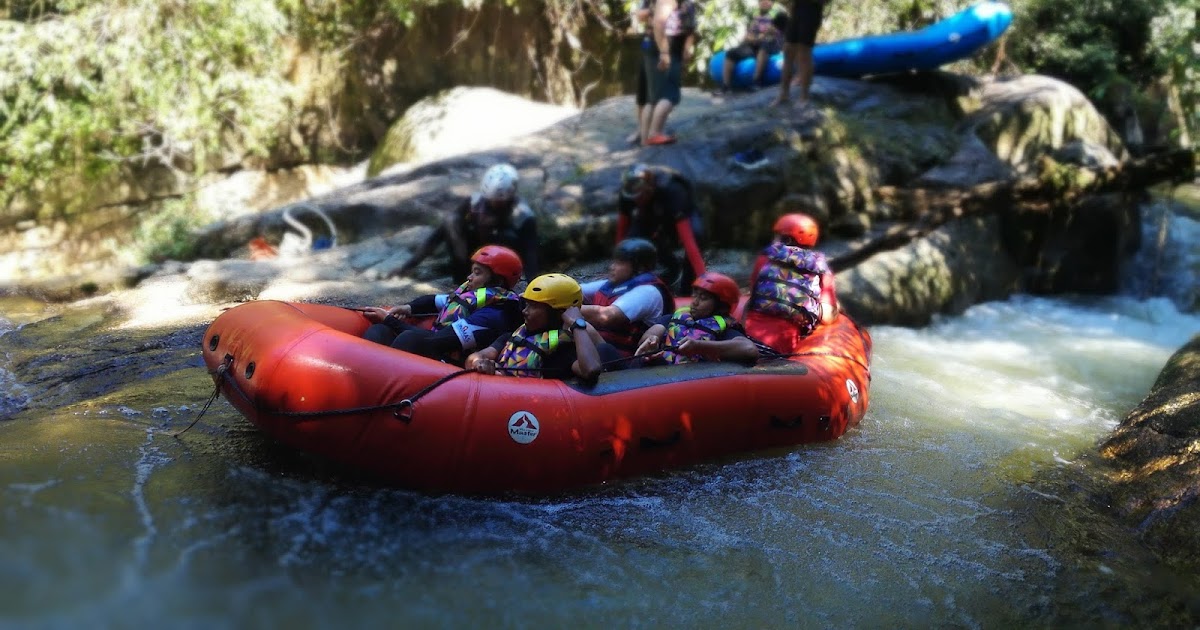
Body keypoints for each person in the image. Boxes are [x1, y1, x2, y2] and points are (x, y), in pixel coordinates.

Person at [362, 245, 524, 365]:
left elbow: (437, 340)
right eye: (472, 271)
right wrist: (408, 308)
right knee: (379, 330)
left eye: (477, 273)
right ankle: (363, 371)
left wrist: (389, 319)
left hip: (451, 368)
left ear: (497, 280)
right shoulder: (473, 297)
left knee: (410, 339)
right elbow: (433, 301)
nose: (469, 277)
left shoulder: (494, 315)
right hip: (436, 350)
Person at [394, 163, 540, 282]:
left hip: (502, 263)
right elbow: (438, 235)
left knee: (507, 236)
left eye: (499, 202)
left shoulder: (522, 215)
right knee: (451, 220)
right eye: (491, 200)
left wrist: (532, 287)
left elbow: (530, 255)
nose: (493, 204)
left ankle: (492, 281)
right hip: (472, 259)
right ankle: (462, 281)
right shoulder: (475, 202)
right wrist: (408, 266)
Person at [465, 273, 604, 382]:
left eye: (534, 306)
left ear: (559, 313)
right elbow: (475, 357)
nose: (525, 311)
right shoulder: (514, 336)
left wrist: (577, 323)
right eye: (527, 304)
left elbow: (590, 369)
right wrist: (480, 363)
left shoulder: (561, 350)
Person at [744, 213, 839, 351]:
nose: (774, 240)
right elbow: (827, 316)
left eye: (777, 235)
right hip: (781, 343)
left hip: (746, 335)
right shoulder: (821, 269)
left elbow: (754, 293)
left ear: (787, 239)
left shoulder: (766, 258)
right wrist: (836, 309)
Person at [634, 272, 759, 365]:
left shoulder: (724, 330)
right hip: (664, 375)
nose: (695, 302)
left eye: (703, 298)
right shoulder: (673, 318)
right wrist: (652, 339)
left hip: (693, 381)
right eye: (695, 295)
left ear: (720, 306)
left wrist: (699, 346)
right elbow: (654, 331)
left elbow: (749, 349)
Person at [618, 163, 706, 295]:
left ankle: (686, 288)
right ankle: (671, 267)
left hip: (681, 217)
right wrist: (618, 265)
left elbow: (689, 241)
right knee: (633, 241)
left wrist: (705, 281)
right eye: (634, 196)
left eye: (641, 195)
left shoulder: (672, 190)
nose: (637, 199)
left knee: (697, 234)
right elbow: (621, 232)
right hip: (649, 214)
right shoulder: (628, 195)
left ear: (650, 187)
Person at [581, 238, 674, 358]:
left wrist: (564, 309)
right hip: (600, 352)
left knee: (579, 326)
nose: (612, 267)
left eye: (620, 262)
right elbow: (575, 289)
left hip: (623, 363)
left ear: (639, 267)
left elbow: (605, 316)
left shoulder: (647, 292)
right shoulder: (613, 284)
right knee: (565, 330)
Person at [642, 0, 697, 145]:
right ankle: (654, 133)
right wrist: (664, 52)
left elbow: (689, 27)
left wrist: (686, 48)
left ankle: (651, 135)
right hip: (668, 46)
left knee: (662, 93)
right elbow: (659, 23)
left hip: (674, 45)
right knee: (671, 94)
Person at [714, 0, 789, 94]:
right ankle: (726, 86)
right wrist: (751, 38)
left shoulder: (778, 14)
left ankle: (756, 81)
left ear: (772, 3)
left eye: (767, 1)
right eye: (761, 1)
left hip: (771, 45)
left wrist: (759, 37)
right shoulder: (755, 16)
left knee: (765, 46)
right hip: (754, 44)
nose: (764, 2)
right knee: (732, 53)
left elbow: (774, 33)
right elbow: (748, 34)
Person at [771, 0, 826, 108]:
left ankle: (804, 97)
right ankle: (784, 94)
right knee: (788, 50)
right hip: (796, 10)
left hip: (812, 10)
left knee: (803, 52)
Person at [627, 0, 655, 146]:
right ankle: (640, 130)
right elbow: (640, 15)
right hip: (649, 45)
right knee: (642, 93)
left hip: (663, 48)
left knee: (655, 95)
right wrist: (654, 11)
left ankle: (652, 132)